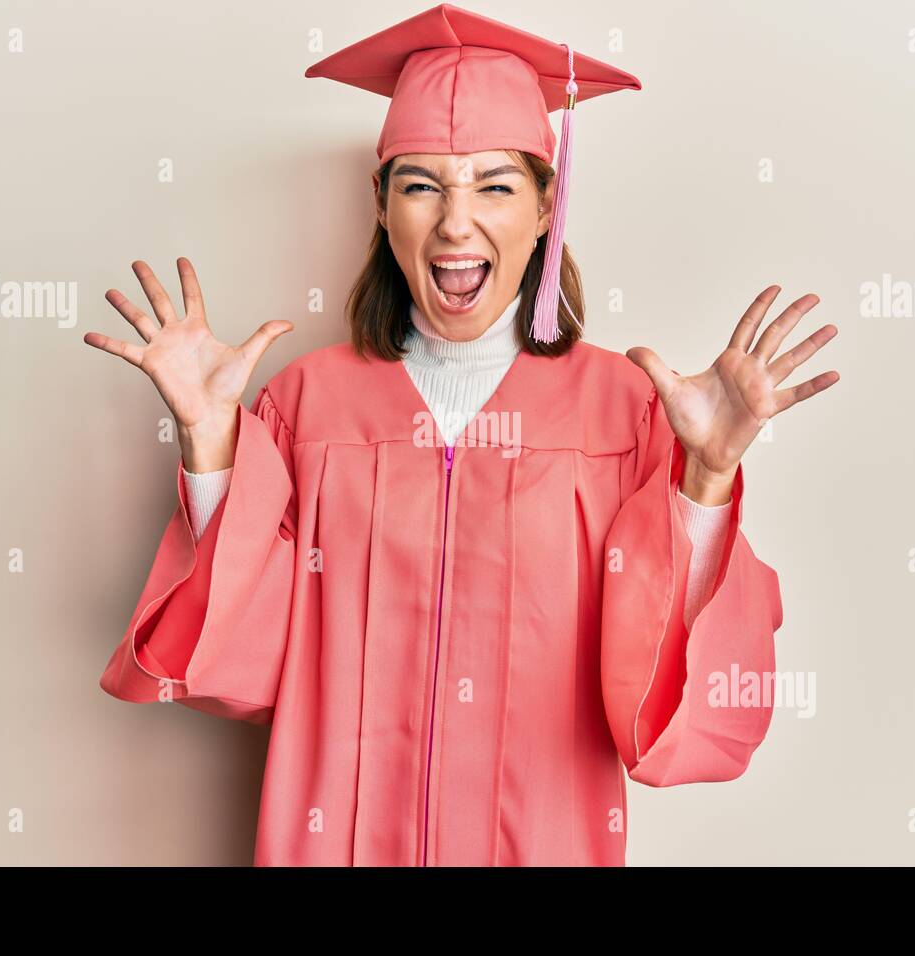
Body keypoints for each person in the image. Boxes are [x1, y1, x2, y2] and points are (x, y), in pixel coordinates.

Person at [85, 3, 839, 866]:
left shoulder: (622, 411)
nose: (454, 222)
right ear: (380, 203)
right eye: (421, 184)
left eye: (494, 184)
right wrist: (212, 448)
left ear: (548, 203)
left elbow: (663, 702)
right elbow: (239, 667)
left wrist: (702, 480)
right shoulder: (306, 406)